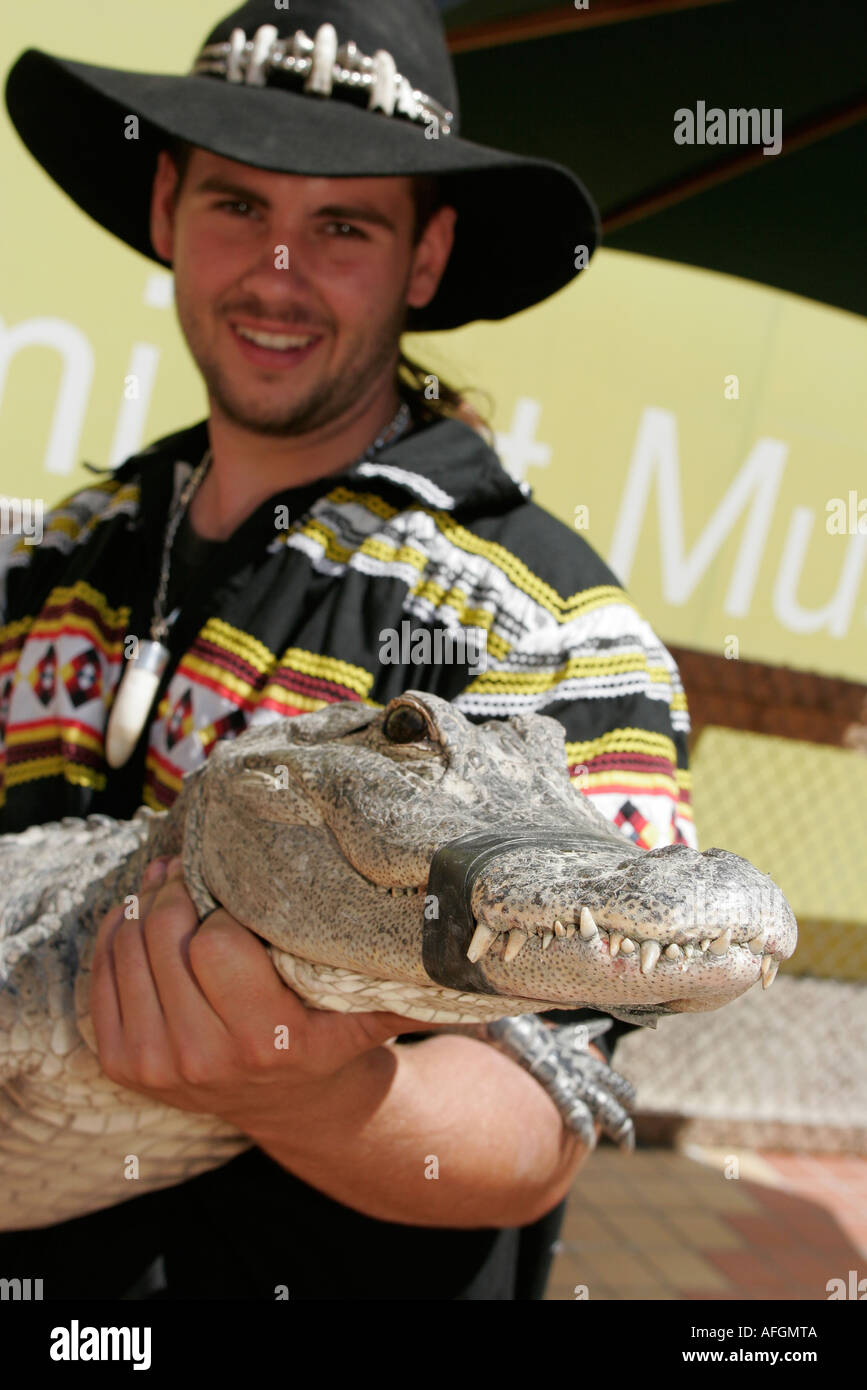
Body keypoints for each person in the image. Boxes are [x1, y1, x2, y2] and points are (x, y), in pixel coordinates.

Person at [0, 0, 695, 1299]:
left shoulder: (543, 618)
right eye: (236, 205)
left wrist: (294, 1084)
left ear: (425, 257)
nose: (276, 270)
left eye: (342, 226)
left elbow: (545, 1125)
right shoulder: (52, 562)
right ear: (165, 207)